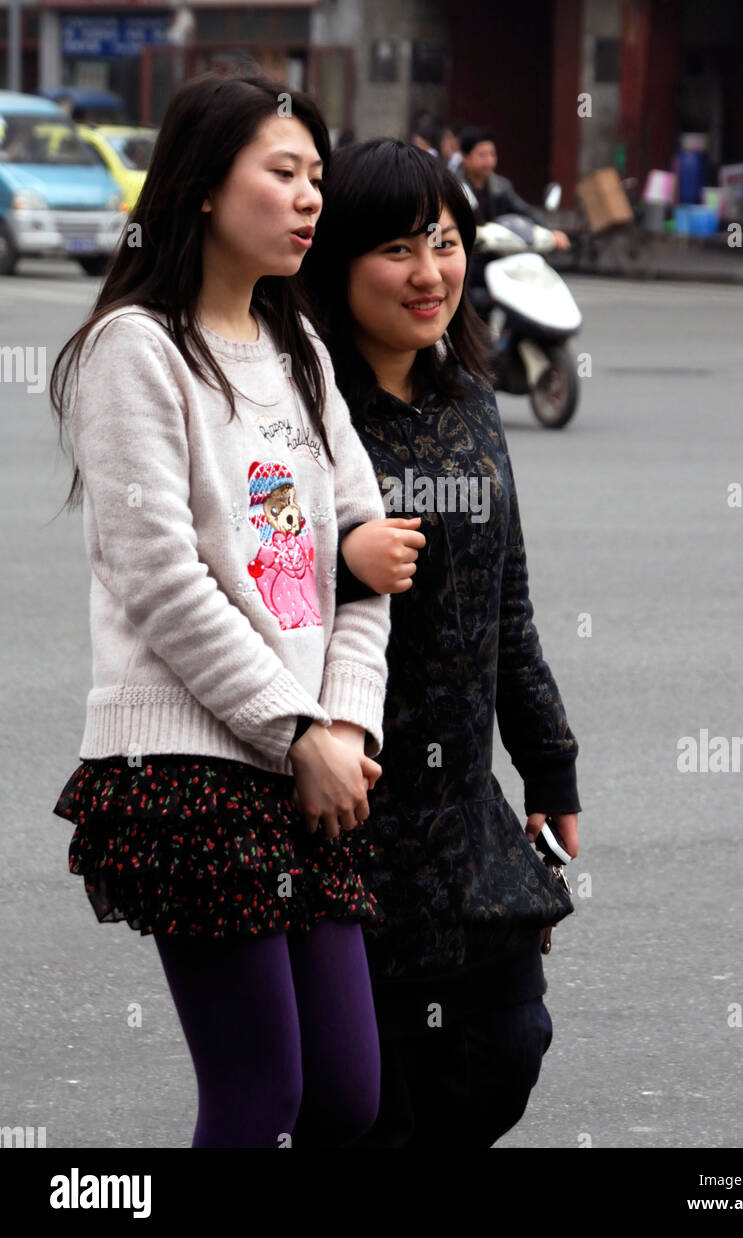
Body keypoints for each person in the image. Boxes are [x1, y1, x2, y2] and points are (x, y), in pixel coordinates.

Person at [49, 71, 393, 1149]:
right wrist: (292, 730)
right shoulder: (136, 351)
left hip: (311, 764)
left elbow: (365, 567)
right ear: (202, 185)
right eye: (281, 173)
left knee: (347, 1095)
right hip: (192, 768)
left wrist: (341, 727)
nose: (308, 200)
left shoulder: (301, 355)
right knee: (259, 1101)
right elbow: (159, 578)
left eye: (316, 180)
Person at [299, 138, 580, 1148]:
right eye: (394, 248)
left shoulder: (470, 398)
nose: (428, 272)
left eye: (444, 241)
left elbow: (508, 602)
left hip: (465, 814)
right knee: (371, 1095)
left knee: (509, 1038)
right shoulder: (301, 413)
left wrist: (550, 765)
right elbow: (245, 583)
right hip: (341, 813)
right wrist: (342, 554)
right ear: (334, 263)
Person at [458, 125, 570, 251]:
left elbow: (523, 209)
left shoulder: (501, 186)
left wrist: (551, 231)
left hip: (498, 251)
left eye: (492, 154)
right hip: (468, 252)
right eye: (482, 155)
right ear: (465, 157)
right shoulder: (453, 187)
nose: (489, 160)